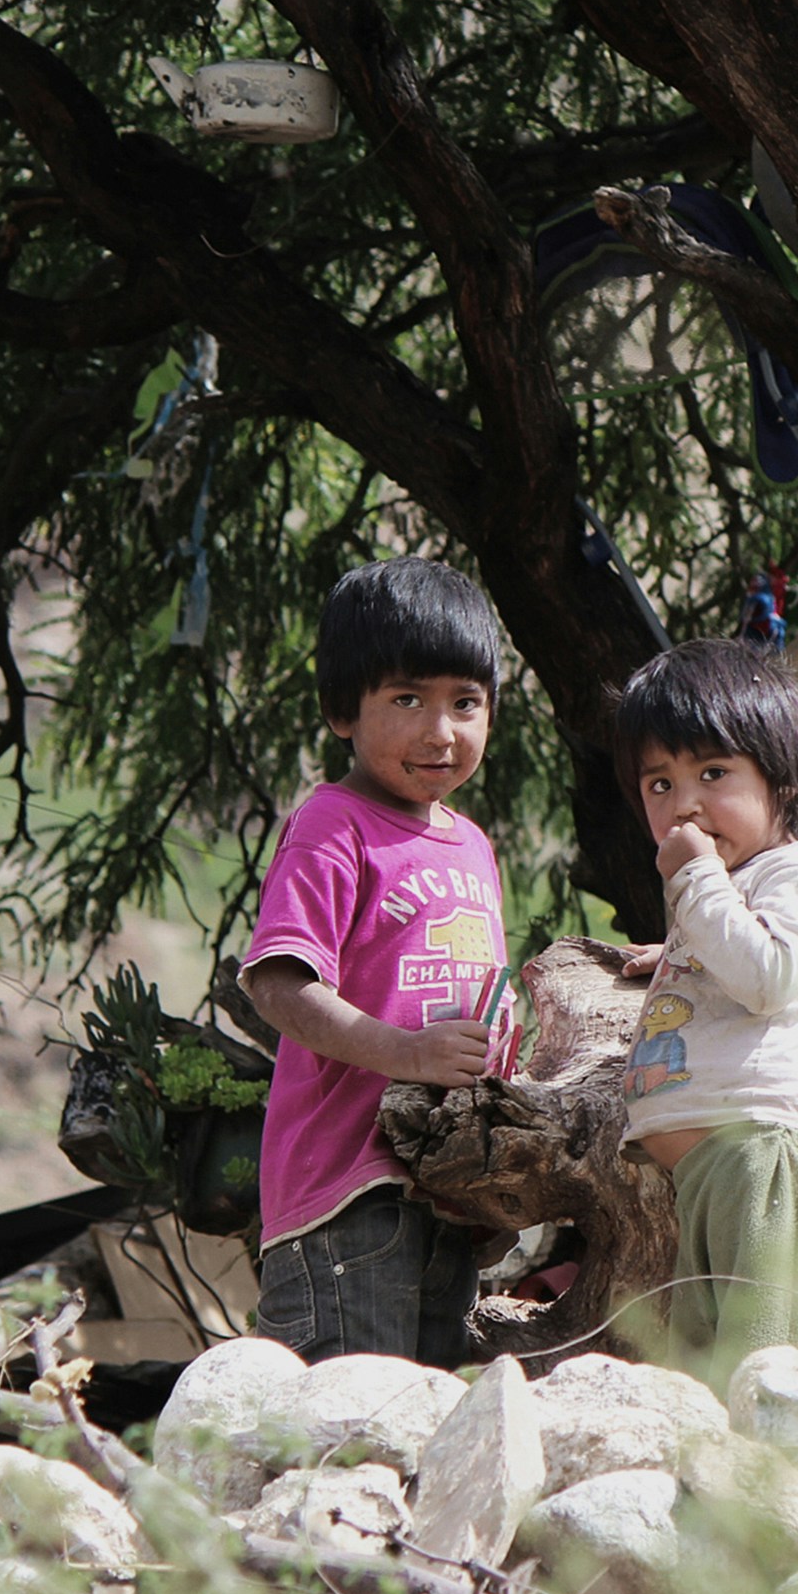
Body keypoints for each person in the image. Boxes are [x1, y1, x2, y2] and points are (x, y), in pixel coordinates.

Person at [238, 557, 509, 1365]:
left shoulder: (475, 846)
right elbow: (279, 984)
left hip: (447, 1195)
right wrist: (408, 1053)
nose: (441, 731)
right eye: (407, 700)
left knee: (427, 1440)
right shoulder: (333, 824)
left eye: (466, 703)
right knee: (351, 1445)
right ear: (339, 712)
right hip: (349, 1199)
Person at [613, 638, 798, 1374]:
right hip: (710, 1177)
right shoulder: (735, 887)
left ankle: (781, 1487)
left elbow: (770, 974)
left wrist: (694, 883)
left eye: (712, 772)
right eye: (659, 784)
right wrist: (682, 953)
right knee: (704, 1379)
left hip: (764, 1161)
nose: (683, 801)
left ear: (780, 780)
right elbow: (740, 955)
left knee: (770, 1374)